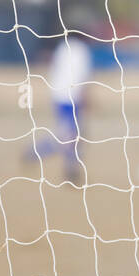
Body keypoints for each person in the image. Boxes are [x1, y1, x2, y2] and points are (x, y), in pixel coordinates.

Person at [27, 32, 93, 185]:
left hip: (58, 96)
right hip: (72, 97)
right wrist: (87, 97)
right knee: (70, 136)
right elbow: (81, 76)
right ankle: (37, 154)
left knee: (70, 135)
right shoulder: (82, 50)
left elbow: (56, 70)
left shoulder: (63, 47)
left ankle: (69, 169)